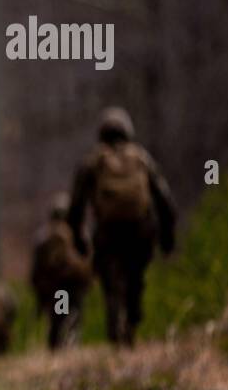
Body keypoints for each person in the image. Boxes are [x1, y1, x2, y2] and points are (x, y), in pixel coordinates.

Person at [67, 107, 176, 346]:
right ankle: (132, 324)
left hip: (108, 232)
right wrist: (168, 236)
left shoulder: (94, 161)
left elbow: (76, 204)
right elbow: (164, 199)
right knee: (136, 278)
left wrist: (78, 238)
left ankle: (116, 332)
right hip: (141, 230)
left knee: (111, 282)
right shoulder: (141, 158)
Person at [30, 193, 91, 350]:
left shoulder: (44, 236)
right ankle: (70, 345)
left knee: (59, 317)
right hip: (74, 285)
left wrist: (40, 293)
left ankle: (57, 347)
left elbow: (37, 269)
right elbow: (88, 258)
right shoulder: (77, 234)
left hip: (58, 287)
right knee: (73, 315)